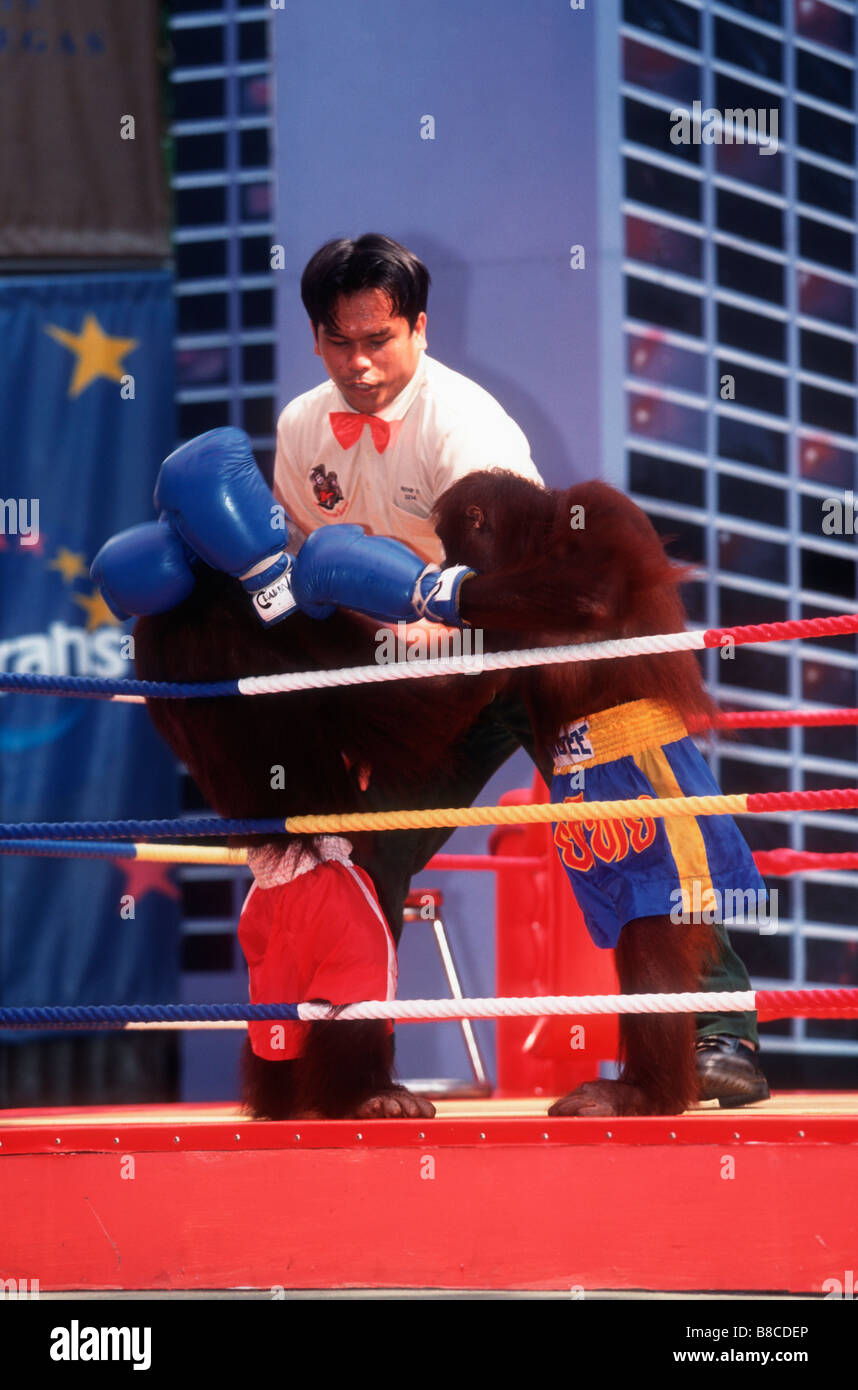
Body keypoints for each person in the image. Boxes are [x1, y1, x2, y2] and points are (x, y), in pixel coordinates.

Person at [276, 234, 768, 1104]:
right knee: (361, 852)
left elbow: (521, 589)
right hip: (423, 676)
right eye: (340, 342)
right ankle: (360, 1071)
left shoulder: (465, 425)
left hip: (531, 660)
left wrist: (425, 607)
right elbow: (314, 581)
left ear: (419, 329)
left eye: (378, 339)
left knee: (641, 834)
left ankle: (718, 1040)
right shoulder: (301, 428)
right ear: (315, 336)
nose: (359, 364)